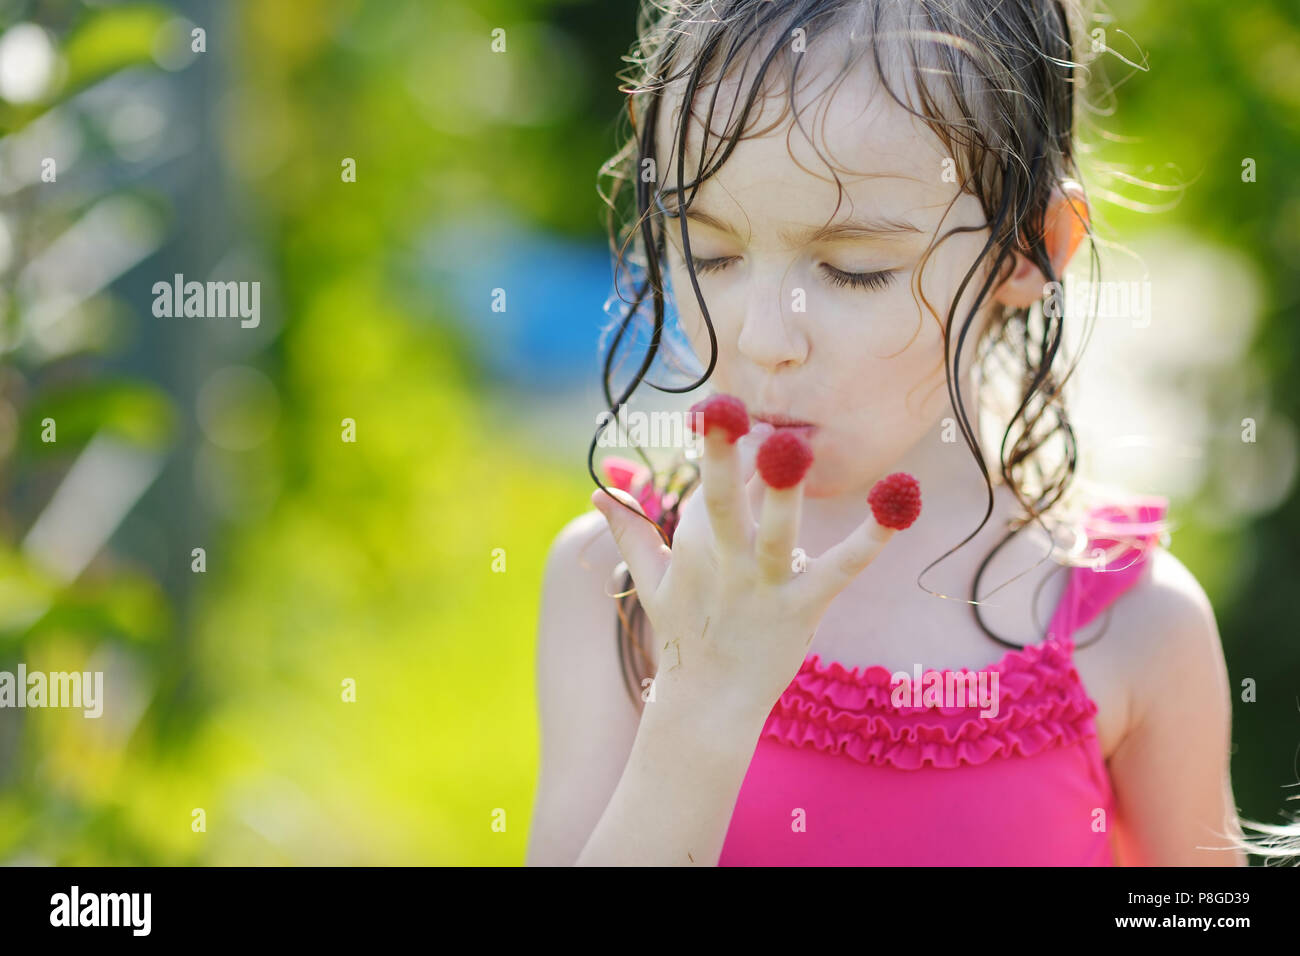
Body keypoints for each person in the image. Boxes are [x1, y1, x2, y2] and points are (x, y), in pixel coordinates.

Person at [526, 0, 1245, 866]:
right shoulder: (624, 585)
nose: (763, 338)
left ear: (1031, 244)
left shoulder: (1134, 630)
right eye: (709, 250)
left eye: (852, 270)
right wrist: (698, 706)